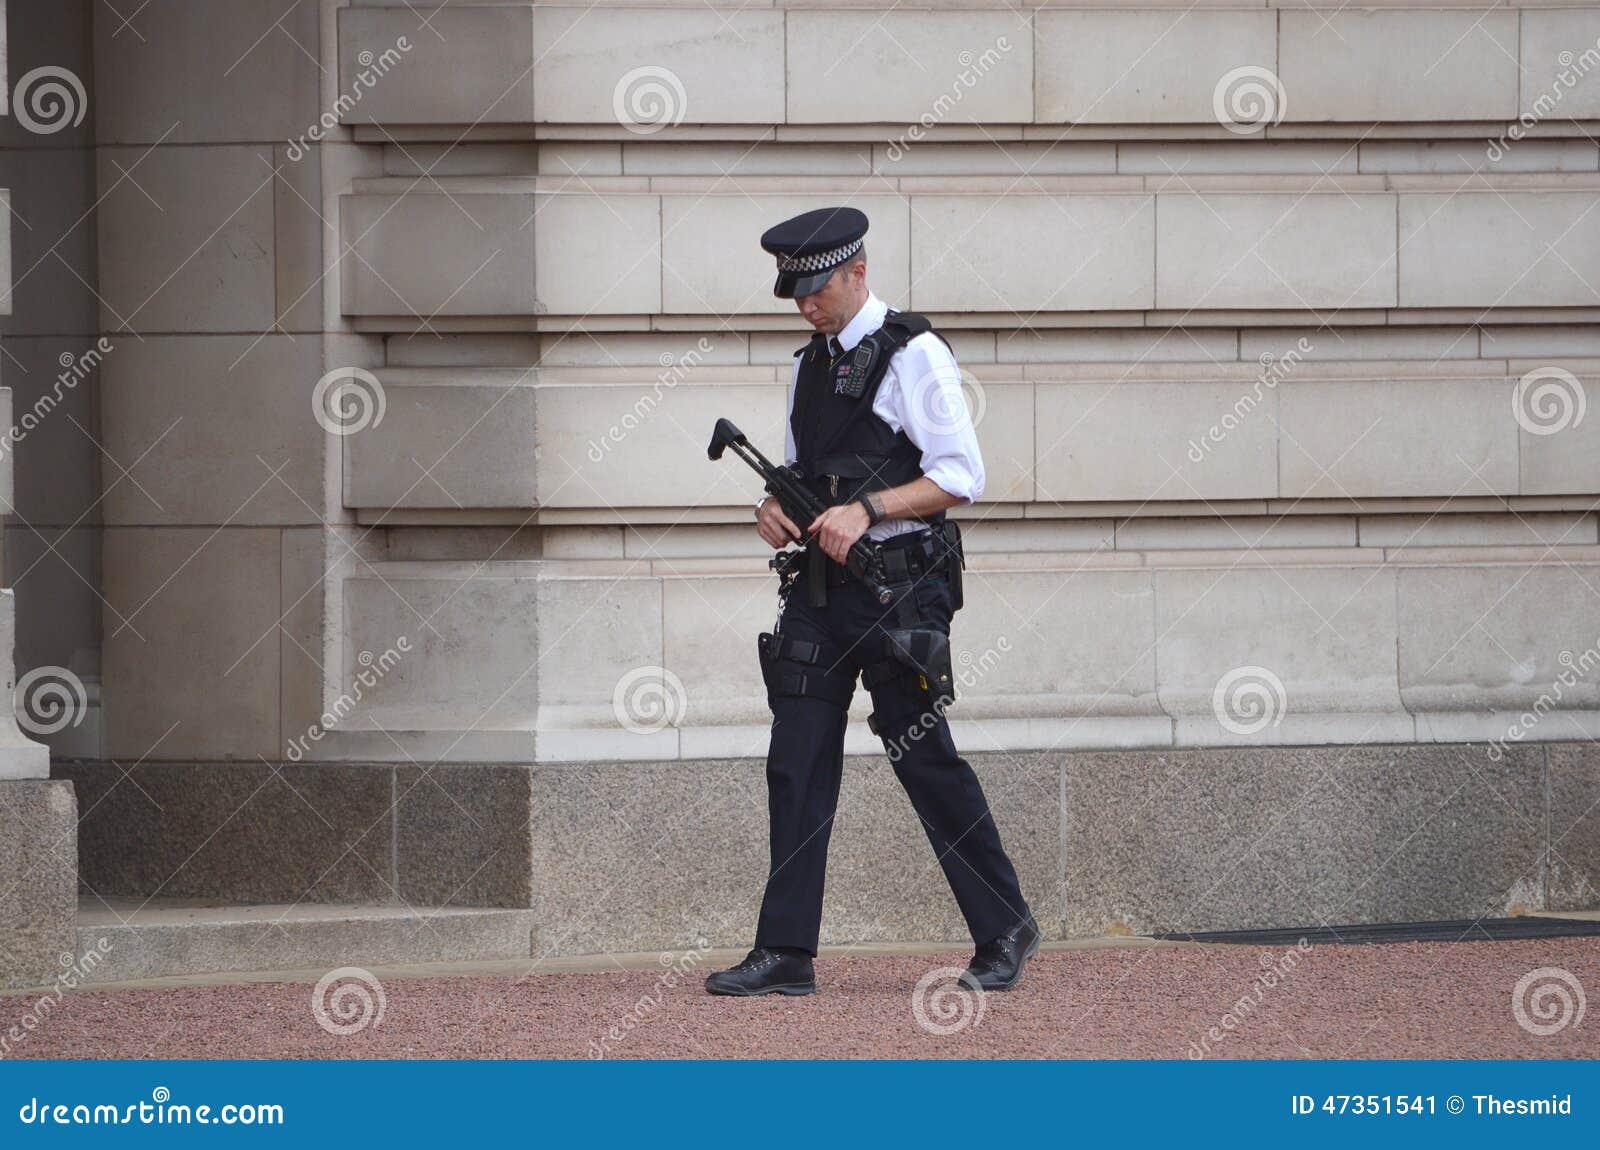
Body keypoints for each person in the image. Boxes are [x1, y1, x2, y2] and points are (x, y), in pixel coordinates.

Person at [704, 206, 1039, 997]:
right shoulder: (809, 365)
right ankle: (786, 951)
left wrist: (870, 508)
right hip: (821, 592)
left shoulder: (915, 354)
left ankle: (1004, 929)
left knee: (923, 758)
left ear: (858, 271)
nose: (806, 306)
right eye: (796, 295)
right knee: (796, 762)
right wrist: (775, 511)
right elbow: (803, 473)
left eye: (817, 291)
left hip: (900, 592)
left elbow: (961, 475)